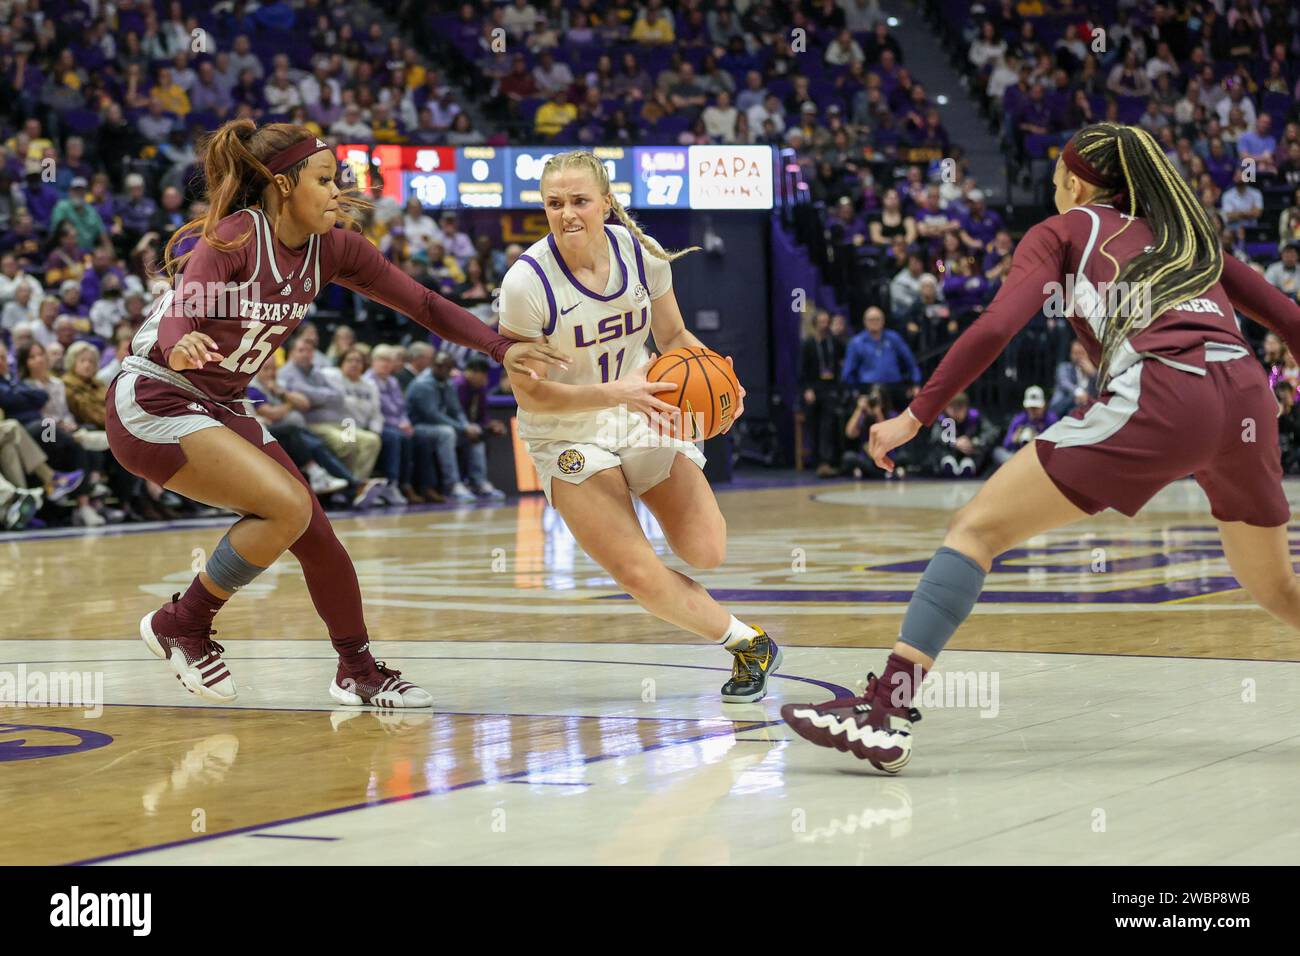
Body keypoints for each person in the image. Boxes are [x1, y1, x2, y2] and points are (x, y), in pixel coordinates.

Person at [782, 122, 1300, 771]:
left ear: (1074, 181)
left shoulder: (1065, 229)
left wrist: (917, 415)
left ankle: (885, 710)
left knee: (975, 529)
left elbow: (998, 325)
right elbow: (1291, 320)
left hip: (1169, 391)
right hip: (1250, 397)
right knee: (1278, 588)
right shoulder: (1188, 240)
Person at [103, 121, 568, 707]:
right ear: (281, 184)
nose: (337, 192)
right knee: (289, 506)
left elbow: (421, 302)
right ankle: (184, 623)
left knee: (315, 532)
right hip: (156, 395)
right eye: (324, 180)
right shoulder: (234, 237)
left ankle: (358, 671)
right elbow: (184, 308)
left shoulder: (336, 248)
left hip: (219, 404)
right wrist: (181, 340)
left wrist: (501, 347)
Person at [497, 149, 780, 703]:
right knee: (637, 571)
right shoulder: (526, 283)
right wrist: (613, 393)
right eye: (555, 203)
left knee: (706, 551)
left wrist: (724, 376)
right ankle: (747, 642)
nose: (567, 213)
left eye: (580, 200)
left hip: (642, 407)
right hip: (568, 430)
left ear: (607, 202)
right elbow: (529, 391)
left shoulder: (642, 254)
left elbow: (674, 337)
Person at [993, 385, 1058, 465]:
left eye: (1036, 407)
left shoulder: (1051, 419)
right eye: (1030, 407)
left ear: (1044, 406)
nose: (1033, 411)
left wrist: (1038, 438)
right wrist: (1014, 438)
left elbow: (1055, 445)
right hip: (1018, 455)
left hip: (1041, 457)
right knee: (997, 452)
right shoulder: (1020, 419)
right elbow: (1006, 444)